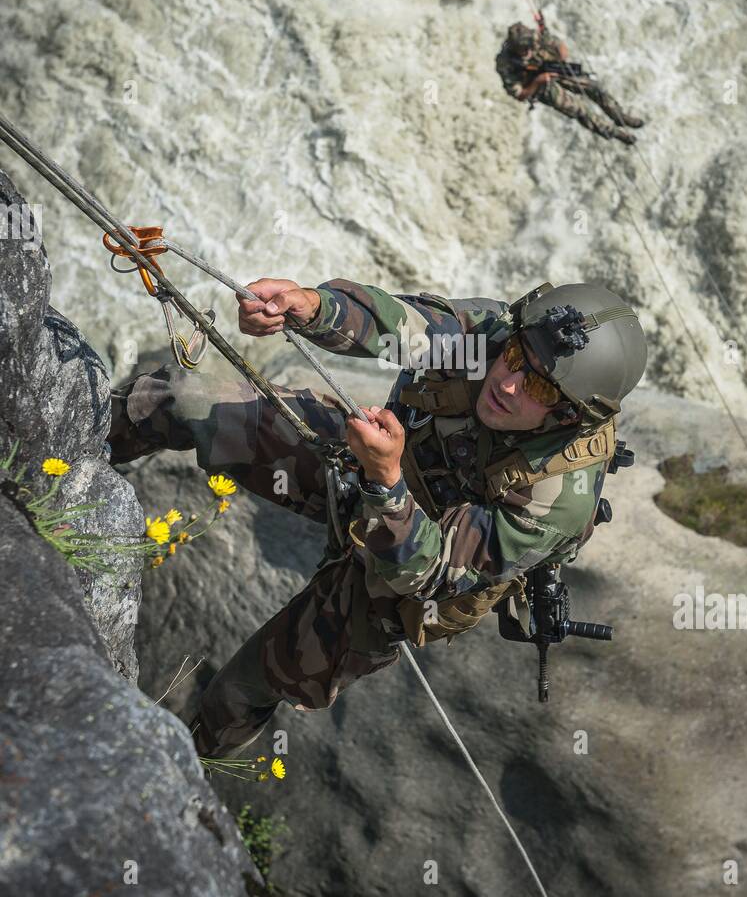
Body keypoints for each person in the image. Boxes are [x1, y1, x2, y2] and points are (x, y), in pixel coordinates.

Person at [109, 276, 647, 759]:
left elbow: (427, 573)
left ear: (570, 415)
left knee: (243, 687)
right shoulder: (495, 335)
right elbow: (401, 325)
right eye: (516, 359)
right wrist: (310, 306)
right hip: (369, 468)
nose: (507, 382)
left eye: (538, 387)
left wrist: (386, 483)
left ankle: (173, 779)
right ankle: (59, 455)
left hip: (399, 580)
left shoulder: (556, 496)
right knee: (181, 400)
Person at [496, 22, 645, 144]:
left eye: (529, 47)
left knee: (595, 87)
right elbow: (520, 95)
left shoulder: (534, 37)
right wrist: (537, 81)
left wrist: (558, 51)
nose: (528, 50)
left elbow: (562, 51)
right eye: (524, 50)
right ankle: (614, 132)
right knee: (579, 109)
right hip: (540, 85)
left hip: (552, 67)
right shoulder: (506, 64)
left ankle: (619, 116)